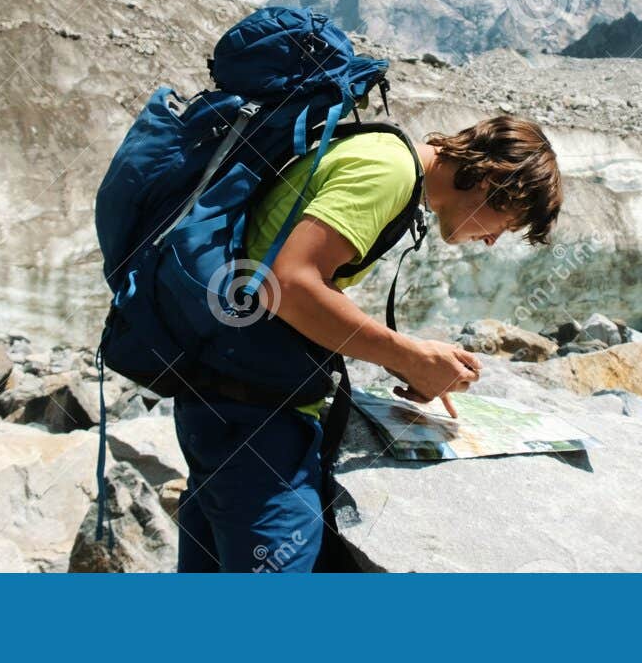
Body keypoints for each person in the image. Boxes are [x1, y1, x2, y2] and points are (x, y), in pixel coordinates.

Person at [172, 114, 562, 572]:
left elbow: (292, 277)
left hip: (224, 397)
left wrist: (408, 358)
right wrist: (410, 357)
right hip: (253, 415)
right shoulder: (387, 170)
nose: (494, 240)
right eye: (505, 220)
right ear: (489, 179)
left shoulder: (383, 157)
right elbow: (291, 283)